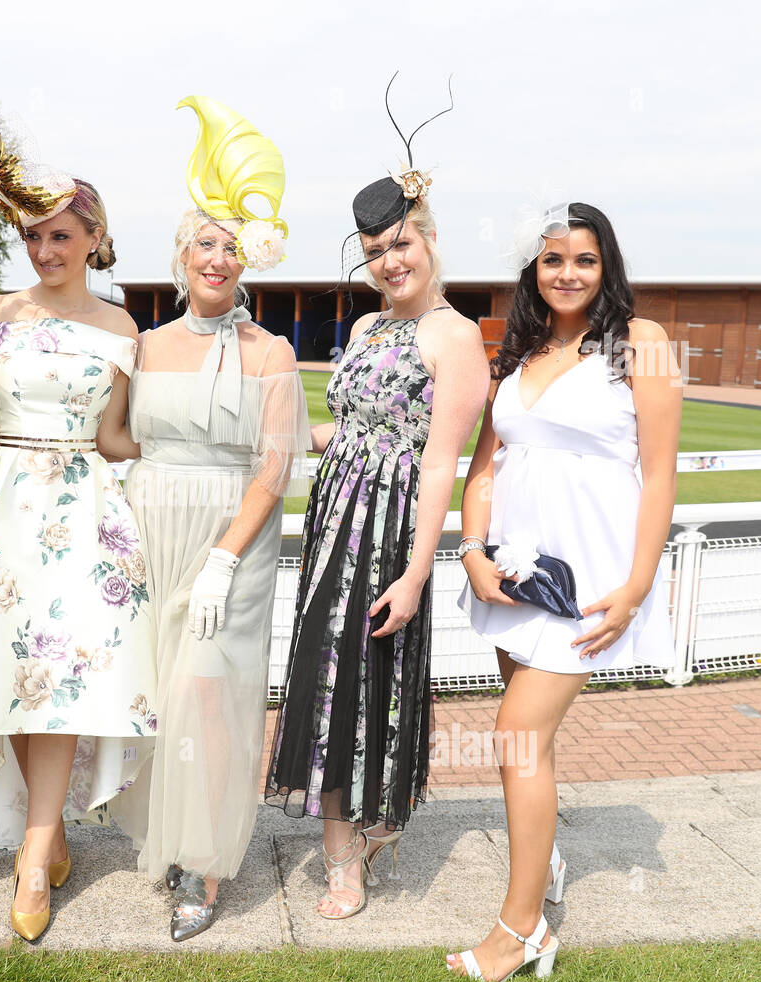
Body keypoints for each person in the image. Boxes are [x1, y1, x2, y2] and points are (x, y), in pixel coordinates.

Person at [265, 85, 489, 920]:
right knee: (323, 677)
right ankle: (338, 856)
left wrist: (417, 572)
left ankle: (370, 826)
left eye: (400, 243)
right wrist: (276, 421)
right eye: (374, 250)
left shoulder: (457, 338)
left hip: (394, 532)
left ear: (427, 239)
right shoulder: (361, 331)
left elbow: (439, 464)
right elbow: (340, 433)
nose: (389, 261)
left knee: (373, 685)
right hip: (332, 526)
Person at [449, 201, 680, 982]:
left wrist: (638, 585)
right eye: (553, 259)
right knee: (527, 746)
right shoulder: (515, 352)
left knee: (515, 737)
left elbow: (659, 476)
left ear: (606, 265)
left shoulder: (640, 345)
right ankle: (536, 865)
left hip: (590, 585)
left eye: (584, 259)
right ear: (534, 269)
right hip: (515, 580)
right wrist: (472, 551)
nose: (568, 273)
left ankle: (521, 929)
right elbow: (484, 467)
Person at [0, 172, 157, 943]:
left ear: (95, 236)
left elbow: (116, 437)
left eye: (61, 234)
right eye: (33, 235)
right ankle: (47, 831)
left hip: (88, 513)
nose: (45, 249)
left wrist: (193, 453)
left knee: (59, 675)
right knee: (15, 674)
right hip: (6, 512)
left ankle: (34, 853)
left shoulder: (126, 327)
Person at [109, 97, 310, 940]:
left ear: (250, 260)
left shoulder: (271, 352)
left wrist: (226, 558)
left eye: (232, 246)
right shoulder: (146, 344)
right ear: (181, 255)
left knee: (211, 692)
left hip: (234, 542)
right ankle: (168, 837)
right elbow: (114, 435)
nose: (218, 259)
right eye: (205, 244)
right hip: (155, 531)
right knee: (160, 694)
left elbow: (275, 465)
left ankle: (205, 863)